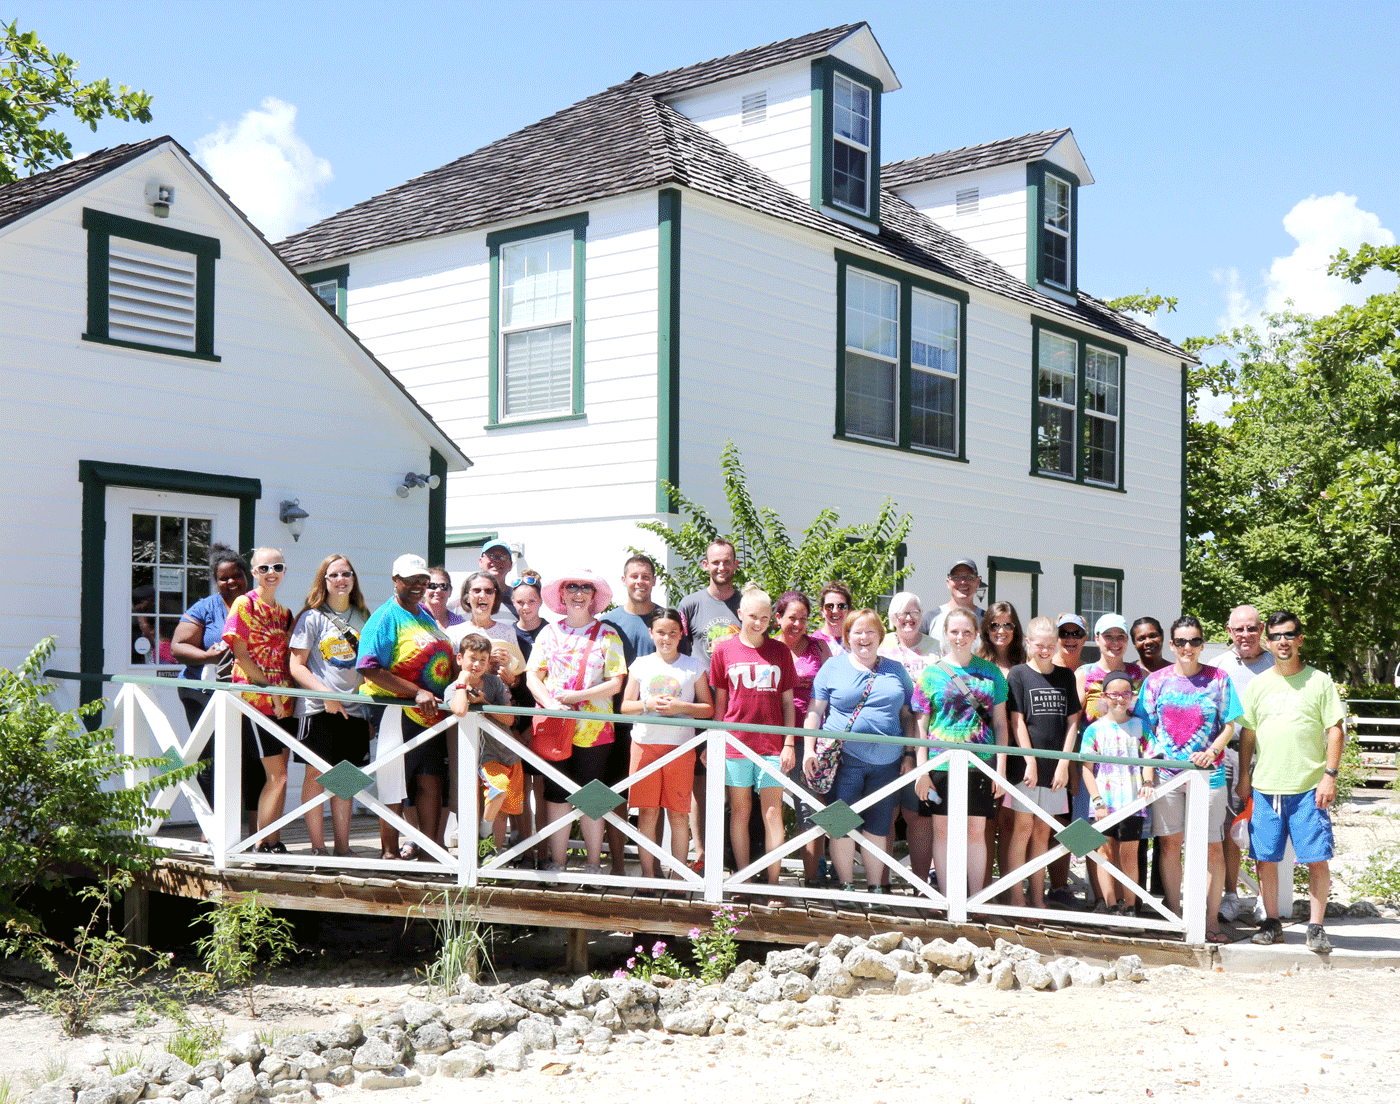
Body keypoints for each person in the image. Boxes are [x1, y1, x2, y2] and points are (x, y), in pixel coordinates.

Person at [1237, 610, 1346, 953]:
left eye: (1289, 635)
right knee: (1265, 859)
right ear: (1267, 643)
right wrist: (1243, 777)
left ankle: (1316, 927)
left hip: (1309, 788)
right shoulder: (1258, 684)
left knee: (1316, 858)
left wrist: (1330, 775)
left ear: (1300, 639)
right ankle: (1272, 923)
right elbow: (1248, 734)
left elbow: (1335, 729)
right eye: (1276, 636)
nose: (1282, 642)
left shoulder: (1319, 681)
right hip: (1267, 788)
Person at [1135, 615, 1240, 943]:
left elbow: (1229, 724)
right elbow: (1146, 728)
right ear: (1172, 644)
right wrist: (1150, 771)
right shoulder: (1156, 681)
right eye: (1181, 642)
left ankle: (1210, 922)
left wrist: (1213, 750)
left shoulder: (1218, 678)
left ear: (1202, 644)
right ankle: (1177, 917)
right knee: (1169, 844)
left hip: (1209, 776)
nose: (1187, 648)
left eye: (1194, 641)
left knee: (1212, 848)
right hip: (1167, 777)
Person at [805, 608, 921, 897]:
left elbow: (909, 714)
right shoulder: (832, 667)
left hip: (888, 762)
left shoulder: (895, 669)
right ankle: (845, 887)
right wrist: (808, 749)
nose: (864, 637)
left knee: (879, 826)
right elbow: (815, 710)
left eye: (870, 631)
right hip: (842, 759)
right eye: (857, 631)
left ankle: (874, 888)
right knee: (840, 824)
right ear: (847, 636)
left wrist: (909, 754)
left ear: (880, 635)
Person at [526, 568, 628, 876]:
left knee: (592, 798)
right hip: (556, 727)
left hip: (595, 731)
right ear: (562, 594)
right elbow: (533, 675)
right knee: (557, 796)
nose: (578, 593)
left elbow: (616, 683)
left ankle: (594, 866)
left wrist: (576, 696)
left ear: (595, 597)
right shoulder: (548, 633)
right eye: (572, 587)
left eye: (586, 588)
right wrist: (551, 703)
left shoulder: (607, 634)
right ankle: (558, 863)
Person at [356, 554, 457, 861]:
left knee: (430, 779)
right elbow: (369, 667)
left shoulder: (424, 614)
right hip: (396, 709)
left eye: (423, 580)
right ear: (395, 580)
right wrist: (416, 692)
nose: (419, 586)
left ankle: (429, 852)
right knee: (394, 780)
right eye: (411, 580)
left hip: (431, 713)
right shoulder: (386, 617)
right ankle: (389, 852)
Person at [914, 606, 1009, 895]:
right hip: (939, 764)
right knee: (941, 832)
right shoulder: (930, 675)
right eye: (954, 631)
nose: (960, 637)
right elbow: (921, 726)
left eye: (967, 631)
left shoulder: (991, 673)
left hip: (980, 764)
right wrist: (922, 770)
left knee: (976, 833)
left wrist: (1000, 770)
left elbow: (1001, 724)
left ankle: (975, 897)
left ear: (976, 635)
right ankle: (945, 897)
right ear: (945, 634)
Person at [710, 583, 797, 897]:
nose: (758, 622)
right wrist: (714, 742)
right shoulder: (723, 650)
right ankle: (742, 881)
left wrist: (789, 743)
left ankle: (775, 886)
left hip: (772, 745)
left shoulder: (779, 651)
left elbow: (788, 703)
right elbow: (721, 703)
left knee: (773, 813)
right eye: (752, 616)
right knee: (740, 810)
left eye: (764, 617)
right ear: (740, 614)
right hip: (735, 743)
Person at [620, 608, 714, 885]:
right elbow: (626, 707)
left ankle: (678, 875)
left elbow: (708, 708)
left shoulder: (693, 665)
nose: (666, 638)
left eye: (673, 633)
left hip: (680, 747)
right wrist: (647, 704)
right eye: (661, 632)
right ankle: (649, 875)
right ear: (651, 633)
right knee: (647, 812)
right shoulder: (640, 664)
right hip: (645, 744)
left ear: (681, 634)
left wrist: (680, 707)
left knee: (678, 813)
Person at [287, 554, 372, 857]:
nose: (340, 580)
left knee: (345, 778)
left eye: (346, 574)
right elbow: (296, 666)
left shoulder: (364, 615)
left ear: (353, 579)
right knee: (316, 775)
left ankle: (343, 847)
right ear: (323, 580)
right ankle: (318, 847)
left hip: (356, 710)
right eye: (333, 575)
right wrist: (326, 694)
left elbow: (371, 664)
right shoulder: (311, 617)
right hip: (318, 709)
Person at [170, 543, 254, 816]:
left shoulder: (260, 607)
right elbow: (177, 646)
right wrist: (209, 656)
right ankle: (211, 825)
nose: (231, 582)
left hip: (247, 694)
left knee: (249, 758)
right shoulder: (206, 607)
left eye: (236, 575)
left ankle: (249, 829)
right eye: (223, 578)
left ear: (246, 576)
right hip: (202, 692)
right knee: (210, 757)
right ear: (216, 581)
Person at [222, 547, 296, 853]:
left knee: (282, 776)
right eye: (264, 568)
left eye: (277, 567)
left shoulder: (284, 613)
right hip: (256, 701)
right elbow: (241, 656)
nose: (271, 573)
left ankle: (273, 842)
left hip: (284, 702)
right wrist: (271, 691)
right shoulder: (244, 604)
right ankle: (260, 843)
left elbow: (290, 658)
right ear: (254, 573)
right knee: (276, 777)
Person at [1005, 616, 1080, 908]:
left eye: (1051, 644)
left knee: (1043, 833)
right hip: (1027, 768)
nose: (1045, 649)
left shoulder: (1065, 676)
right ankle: (1016, 897)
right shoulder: (1019, 674)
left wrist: (1064, 764)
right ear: (1028, 644)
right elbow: (1017, 721)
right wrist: (1030, 761)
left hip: (1056, 769)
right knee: (1022, 829)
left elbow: (1073, 722)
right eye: (1040, 644)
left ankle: (1038, 898)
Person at [678, 538, 742, 872]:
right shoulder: (690, 604)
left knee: (736, 783)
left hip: (739, 705)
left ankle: (732, 857)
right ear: (706, 565)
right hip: (702, 703)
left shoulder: (746, 605)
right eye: (715, 562)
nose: (721, 567)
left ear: (735, 564)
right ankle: (702, 853)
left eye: (727, 561)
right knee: (698, 783)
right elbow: (679, 650)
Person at [601, 554, 664, 875]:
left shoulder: (667, 620)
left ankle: (652, 867)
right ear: (624, 581)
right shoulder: (608, 622)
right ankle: (615, 865)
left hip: (659, 724)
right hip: (616, 721)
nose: (640, 581)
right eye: (634, 576)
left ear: (654, 581)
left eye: (646, 576)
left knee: (656, 798)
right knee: (614, 794)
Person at [1215, 604, 1276, 922]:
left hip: (1266, 756)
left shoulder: (1277, 664)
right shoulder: (1217, 666)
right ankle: (1230, 896)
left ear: (1262, 629)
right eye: (1239, 629)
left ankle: (1267, 900)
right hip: (1227, 754)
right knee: (1228, 829)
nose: (1245, 635)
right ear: (1229, 631)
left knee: (1265, 826)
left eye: (1251, 628)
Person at [877, 591, 940, 891]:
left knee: (918, 815)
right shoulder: (882, 645)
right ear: (892, 618)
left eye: (914, 611)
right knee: (886, 812)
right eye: (902, 613)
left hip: (924, 742)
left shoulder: (935, 648)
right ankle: (882, 882)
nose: (909, 617)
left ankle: (921, 885)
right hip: (888, 741)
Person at [1081, 671, 1156, 915]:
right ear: (1104, 696)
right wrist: (1097, 800)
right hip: (1104, 803)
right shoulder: (1094, 730)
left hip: (1133, 803)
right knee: (1103, 853)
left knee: (1129, 855)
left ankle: (1131, 905)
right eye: (1114, 694)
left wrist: (1148, 782)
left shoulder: (1141, 726)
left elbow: (1149, 758)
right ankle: (1111, 904)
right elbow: (1087, 769)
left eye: (1125, 694)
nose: (1119, 699)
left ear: (1132, 697)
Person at [775, 590, 831, 886]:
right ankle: (763, 873)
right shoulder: (770, 648)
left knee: (813, 804)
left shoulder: (819, 648)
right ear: (778, 618)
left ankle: (816, 875)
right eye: (791, 618)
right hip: (777, 735)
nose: (797, 624)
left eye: (803, 619)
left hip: (812, 737)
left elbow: (832, 689)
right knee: (770, 806)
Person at [449, 632, 518, 849]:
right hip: (481, 755)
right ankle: (482, 835)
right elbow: (460, 709)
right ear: (460, 659)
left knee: (503, 808)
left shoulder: (494, 683)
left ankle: (490, 854)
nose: (477, 664)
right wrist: (462, 681)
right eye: (472, 658)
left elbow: (509, 718)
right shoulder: (453, 688)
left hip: (507, 752)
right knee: (498, 789)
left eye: (483, 660)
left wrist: (484, 703)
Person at [976, 601, 1026, 884]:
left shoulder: (1024, 663)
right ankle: (980, 886)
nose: (1001, 630)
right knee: (984, 822)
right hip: (984, 749)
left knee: (1011, 822)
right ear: (986, 628)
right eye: (995, 624)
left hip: (1017, 750)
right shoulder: (977, 663)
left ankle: (1008, 888)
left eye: (1007, 624)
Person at [920, 558, 985, 649]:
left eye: (969, 577)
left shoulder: (987, 621)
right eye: (957, 577)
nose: (963, 582)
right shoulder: (929, 619)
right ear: (948, 582)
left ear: (978, 582)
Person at [423, 566, 468, 646]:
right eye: (432, 586)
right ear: (423, 589)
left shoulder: (460, 624)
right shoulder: (412, 618)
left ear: (450, 591)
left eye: (444, 586)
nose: (438, 590)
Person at [477, 540, 519, 624]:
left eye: (502, 557)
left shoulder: (519, 600)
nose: (496, 561)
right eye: (491, 556)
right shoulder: (464, 600)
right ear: (481, 562)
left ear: (510, 565)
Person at [811, 582, 853, 656]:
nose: (835, 611)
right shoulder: (811, 642)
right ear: (822, 611)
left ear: (849, 611)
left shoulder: (857, 641)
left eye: (842, 606)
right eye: (829, 606)